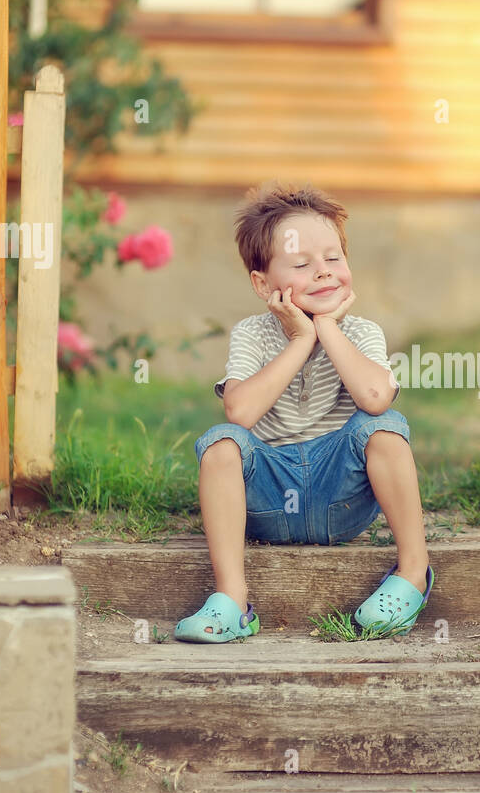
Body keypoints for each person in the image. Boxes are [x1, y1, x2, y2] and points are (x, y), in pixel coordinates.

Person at [176, 181, 435, 643]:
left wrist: (328, 328)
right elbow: (240, 411)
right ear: (263, 284)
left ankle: (414, 573)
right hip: (269, 501)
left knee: (386, 428)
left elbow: (376, 398)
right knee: (220, 444)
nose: (323, 272)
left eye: (333, 259)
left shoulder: (362, 330)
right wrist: (301, 339)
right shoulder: (253, 335)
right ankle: (233, 601)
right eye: (301, 264)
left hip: (343, 500)